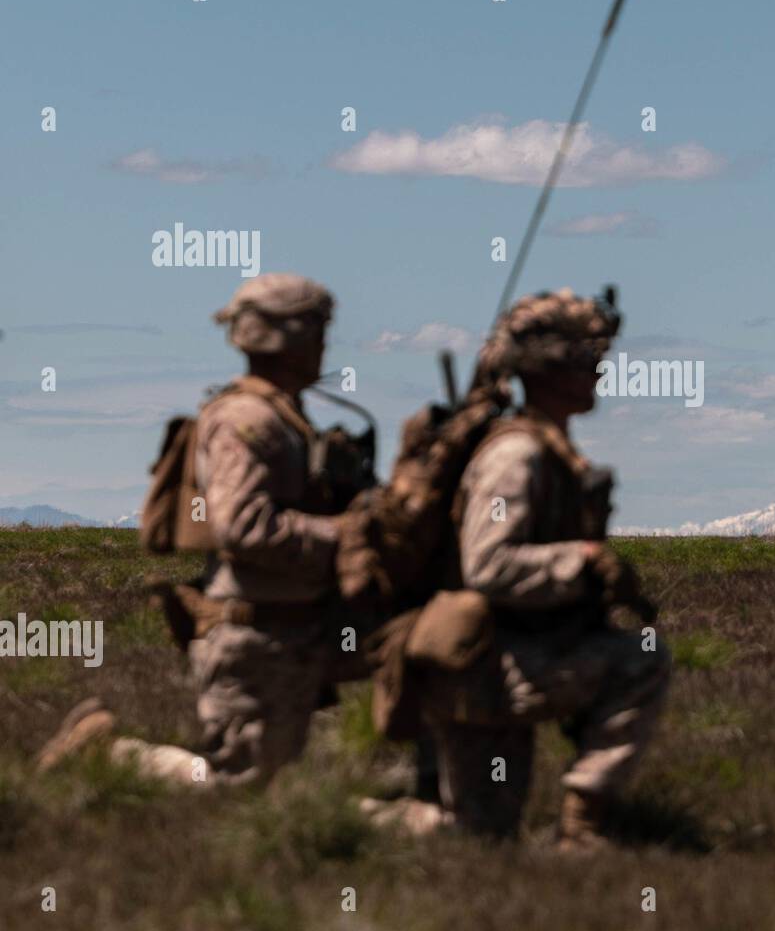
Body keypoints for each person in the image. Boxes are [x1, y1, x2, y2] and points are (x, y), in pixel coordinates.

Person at [377, 288, 671, 849]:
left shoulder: (547, 445)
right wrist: (580, 560)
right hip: (483, 665)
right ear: (549, 369)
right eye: (586, 362)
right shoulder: (518, 456)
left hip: (494, 656)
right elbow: (489, 565)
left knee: (481, 839)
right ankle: (583, 831)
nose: (598, 374)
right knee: (640, 661)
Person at [37, 273, 350, 787]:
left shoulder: (282, 416)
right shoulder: (246, 419)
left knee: (268, 787)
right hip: (251, 633)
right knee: (237, 788)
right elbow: (242, 527)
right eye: (316, 330)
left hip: (287, 629)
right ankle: (116, 754)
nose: (323, 344)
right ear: (291, 338)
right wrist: (345, 533)